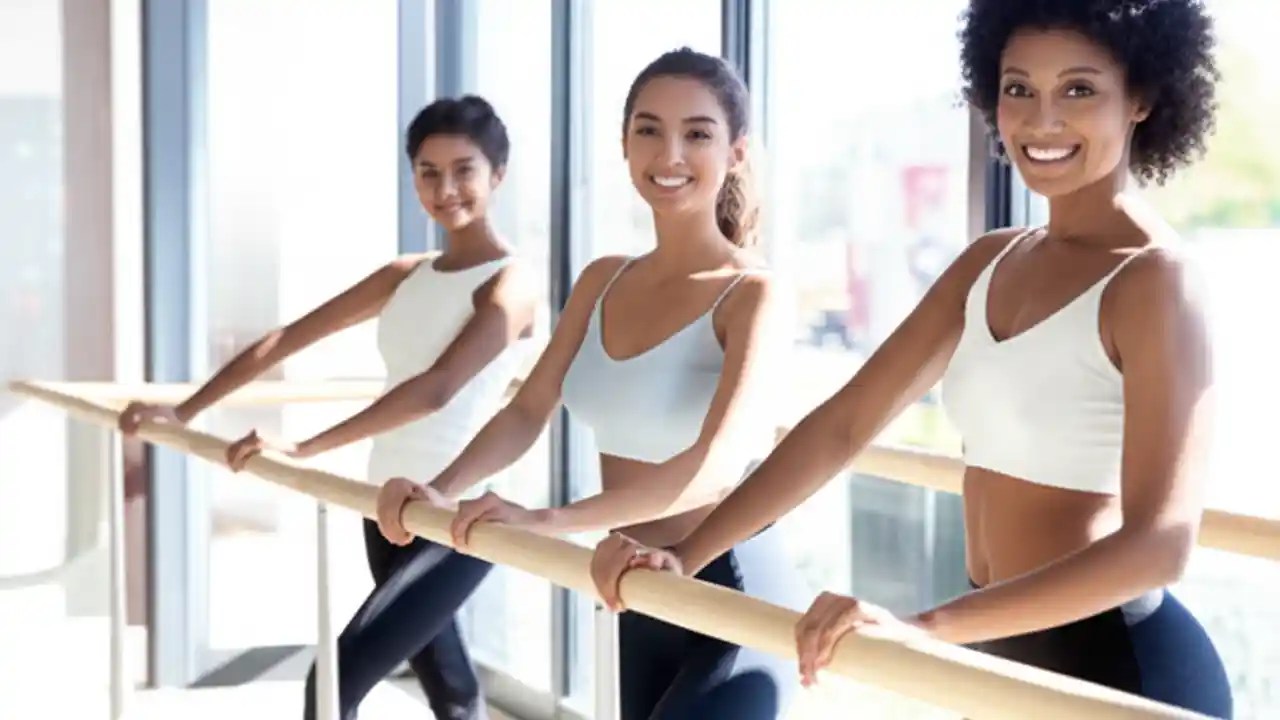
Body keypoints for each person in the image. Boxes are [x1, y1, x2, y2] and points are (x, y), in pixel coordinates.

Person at [590, 2, 1233, 717]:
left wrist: (927, 628)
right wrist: (689, 551)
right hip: (999, 654)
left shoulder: (1157, 282)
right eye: (1019, 88)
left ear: (1141, 97)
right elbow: (842, 424)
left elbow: (1160, 545)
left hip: (1117, 671)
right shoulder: (991, 261)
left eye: (1078, 90)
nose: (1042, 120)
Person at [376, 48, 805, 720]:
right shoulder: (602, 278)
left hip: (732, 591)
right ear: (624, 145)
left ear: (737, 152)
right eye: (648, 129)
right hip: (637, 584)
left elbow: (713, 464)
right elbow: (527, 411)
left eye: (697, 133)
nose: (670, 153)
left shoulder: (754, 294)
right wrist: (440, 489)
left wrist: (550, 521)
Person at [117, 95, 539, 720]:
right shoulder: (406, 274)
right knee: (451, 687)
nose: (445, 188)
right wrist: (186, 411)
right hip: (384, 505)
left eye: (464, 170)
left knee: (333, 679)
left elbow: (439, 386)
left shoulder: (513, 281)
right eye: (428, 171)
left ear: (497, 174)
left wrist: (308, 449)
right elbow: (285, 339)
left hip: (458, 514)